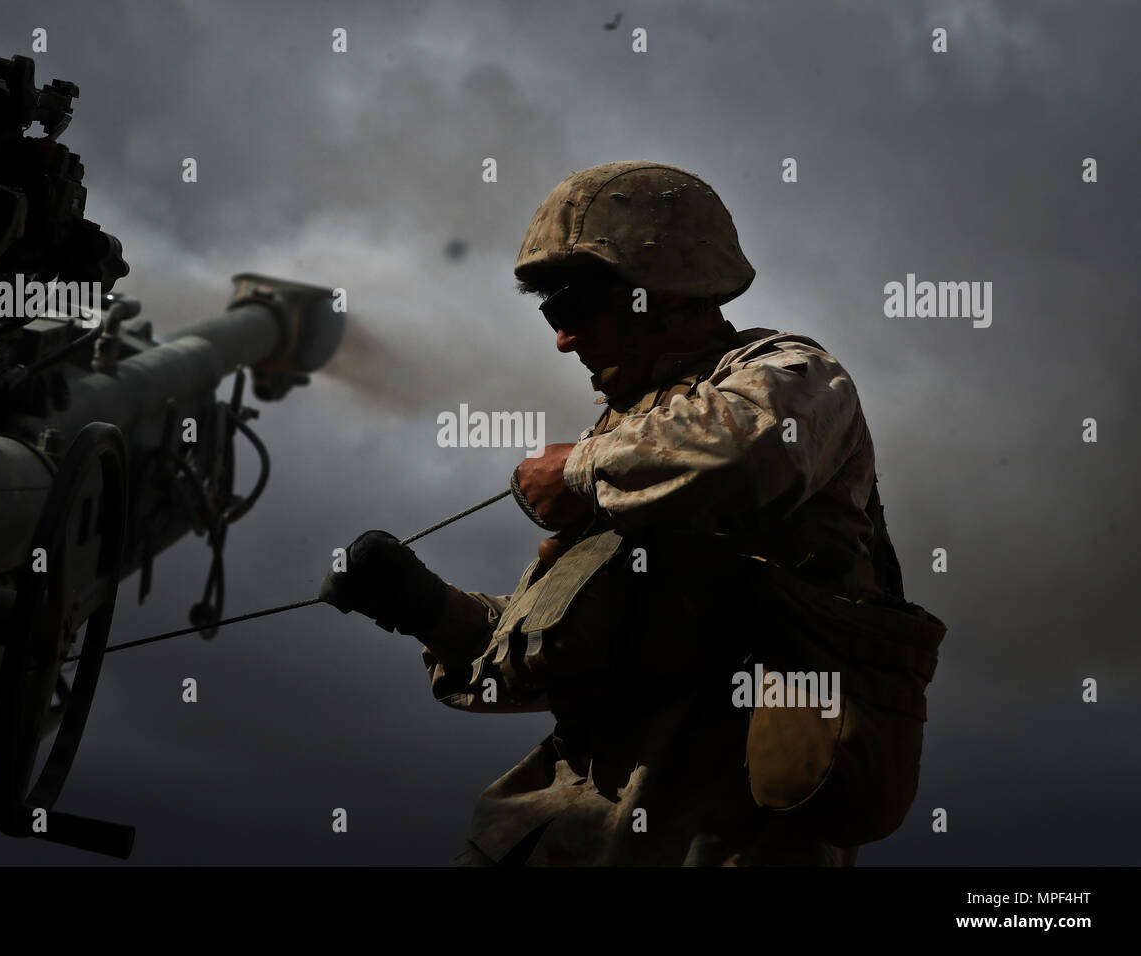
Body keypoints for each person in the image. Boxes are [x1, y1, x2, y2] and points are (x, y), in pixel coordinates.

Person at [320, 161, 942, 866]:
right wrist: (422, 606)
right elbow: (551, 658)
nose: (562, 339)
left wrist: (579, 471)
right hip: (559, 835)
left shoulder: (791, 377)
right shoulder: (626, 451)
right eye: (551, 315)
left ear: (662, 294)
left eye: (573, 310)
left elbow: (745, 455)